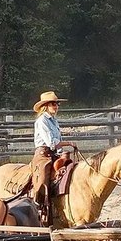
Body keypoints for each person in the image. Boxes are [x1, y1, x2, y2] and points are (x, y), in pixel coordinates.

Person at [30, 90, 74, 226]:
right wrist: (68, 143)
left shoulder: (54, 121)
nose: (56, 106)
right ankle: (37, 205)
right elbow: (51, 142)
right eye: (53, 104)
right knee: (42, 180)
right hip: (43, 155)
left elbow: (56, 144)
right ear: (46, 106)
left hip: (53, 154)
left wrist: (62, 153)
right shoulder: (42, 120)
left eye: (57, 104)